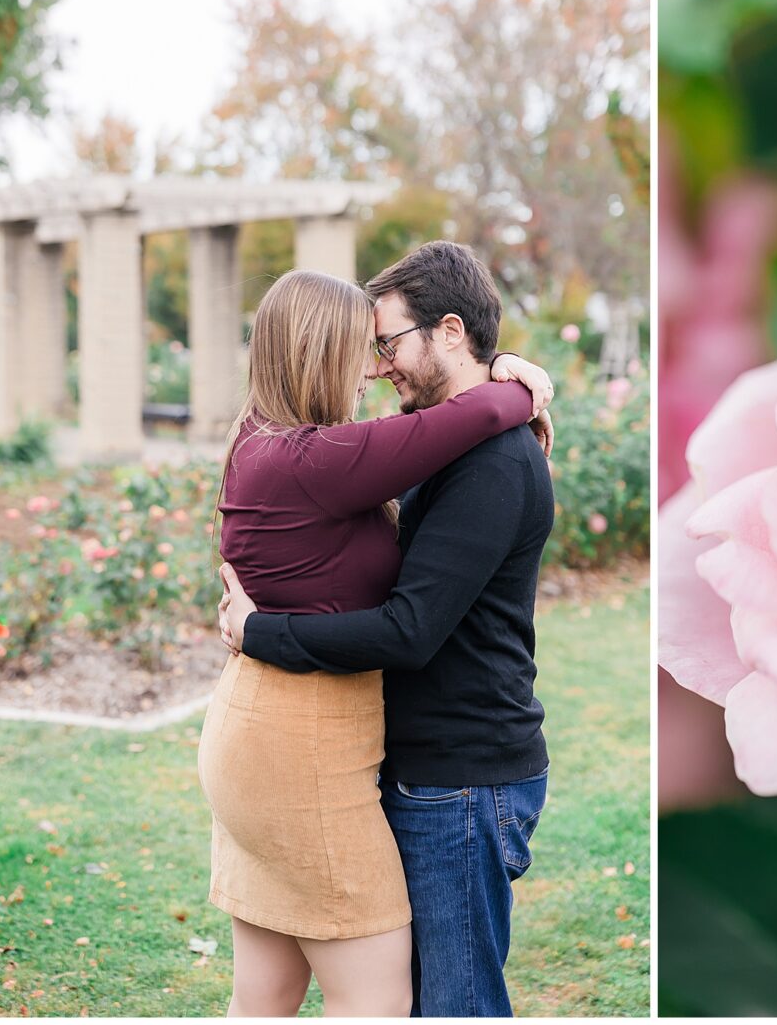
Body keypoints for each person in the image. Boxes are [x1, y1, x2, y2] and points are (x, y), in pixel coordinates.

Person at [197, 265, 552, 1017]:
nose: (376, 365)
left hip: (294, 738)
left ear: (449, 332)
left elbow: (410, 625)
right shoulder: (317, 456)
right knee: (378, 1003)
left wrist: (509, 377)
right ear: (317, 352)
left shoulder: (272, 441)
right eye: (364, 347)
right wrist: (518, 384)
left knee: (268, 996)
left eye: (385, 344)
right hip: (302, 747)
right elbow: (465, 417)